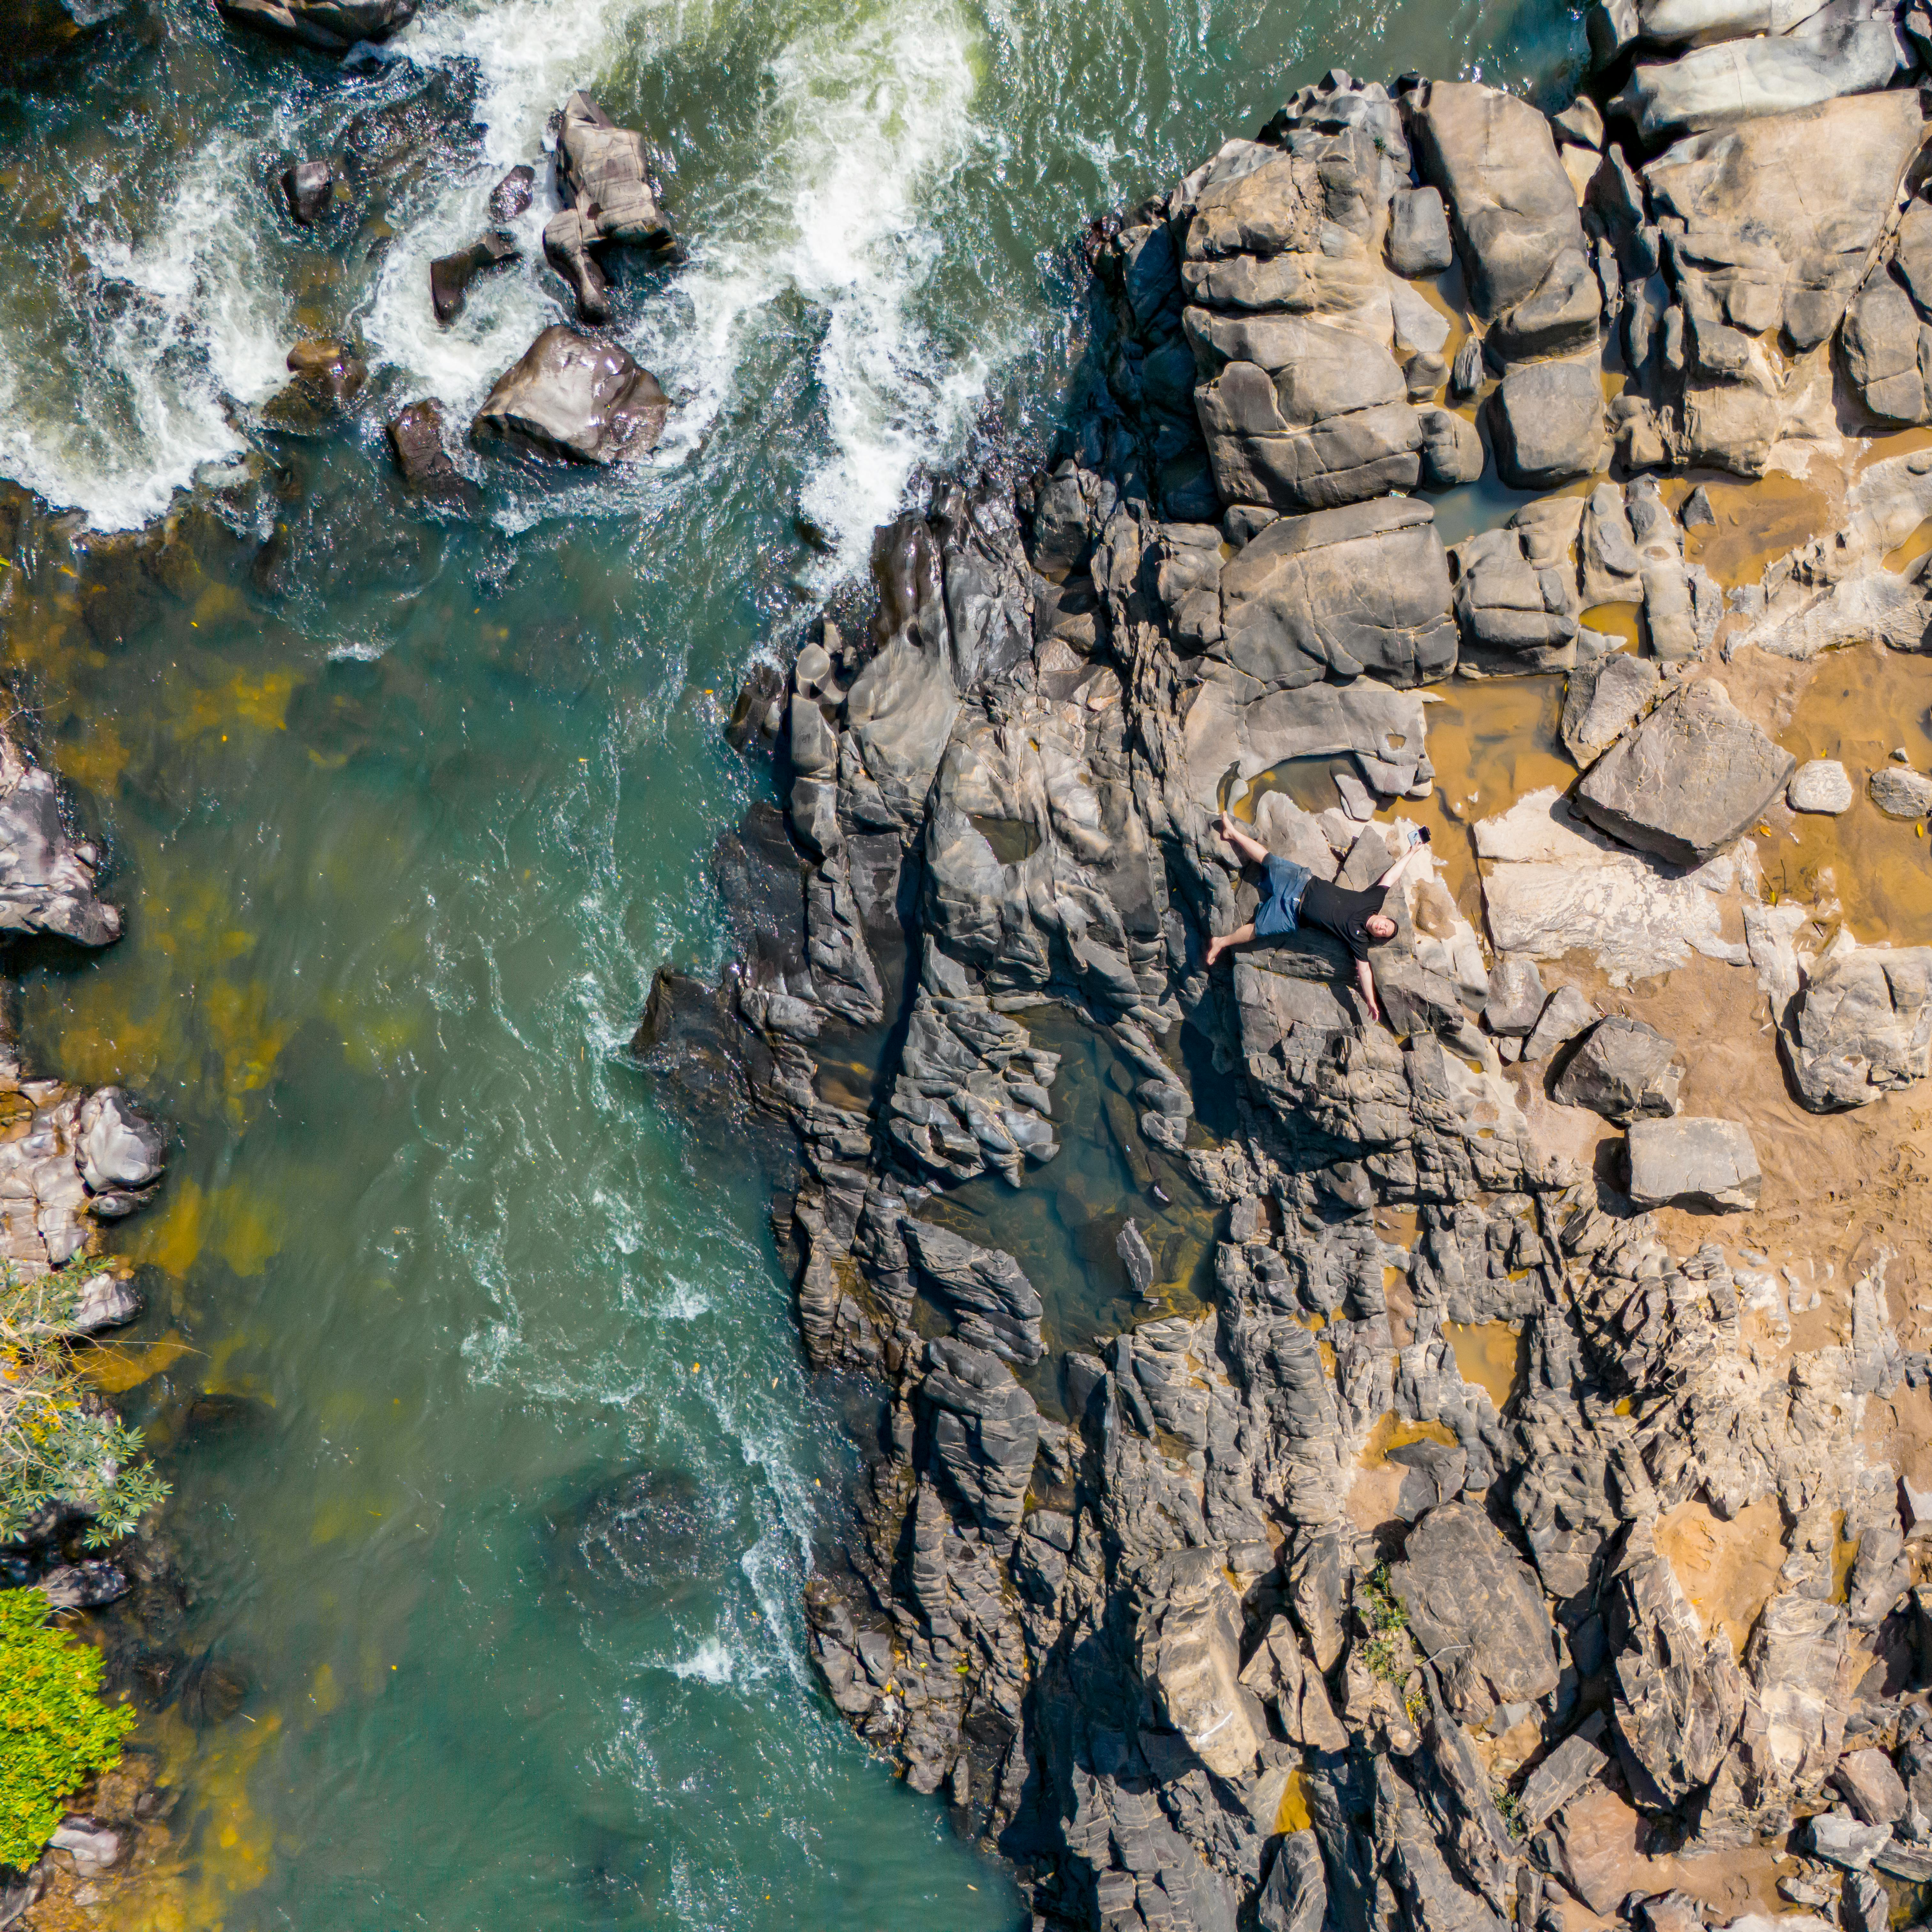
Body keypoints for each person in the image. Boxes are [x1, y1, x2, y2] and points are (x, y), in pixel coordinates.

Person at [1203, 813, 1429, 1026]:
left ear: (1377, 937)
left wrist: (1371, 1001)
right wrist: (1411, 853)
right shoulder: (1373, 901)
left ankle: (1221, 942)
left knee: (1258, 931)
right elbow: (1391, 877)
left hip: (1291, 915)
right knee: (1268, 859)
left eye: (1383, 933)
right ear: (1384, 916)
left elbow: (1365, 971)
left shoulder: (1359, 940)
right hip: (1301, 882)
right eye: (1386, 925)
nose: (1381, 928)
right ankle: (1231, 833)